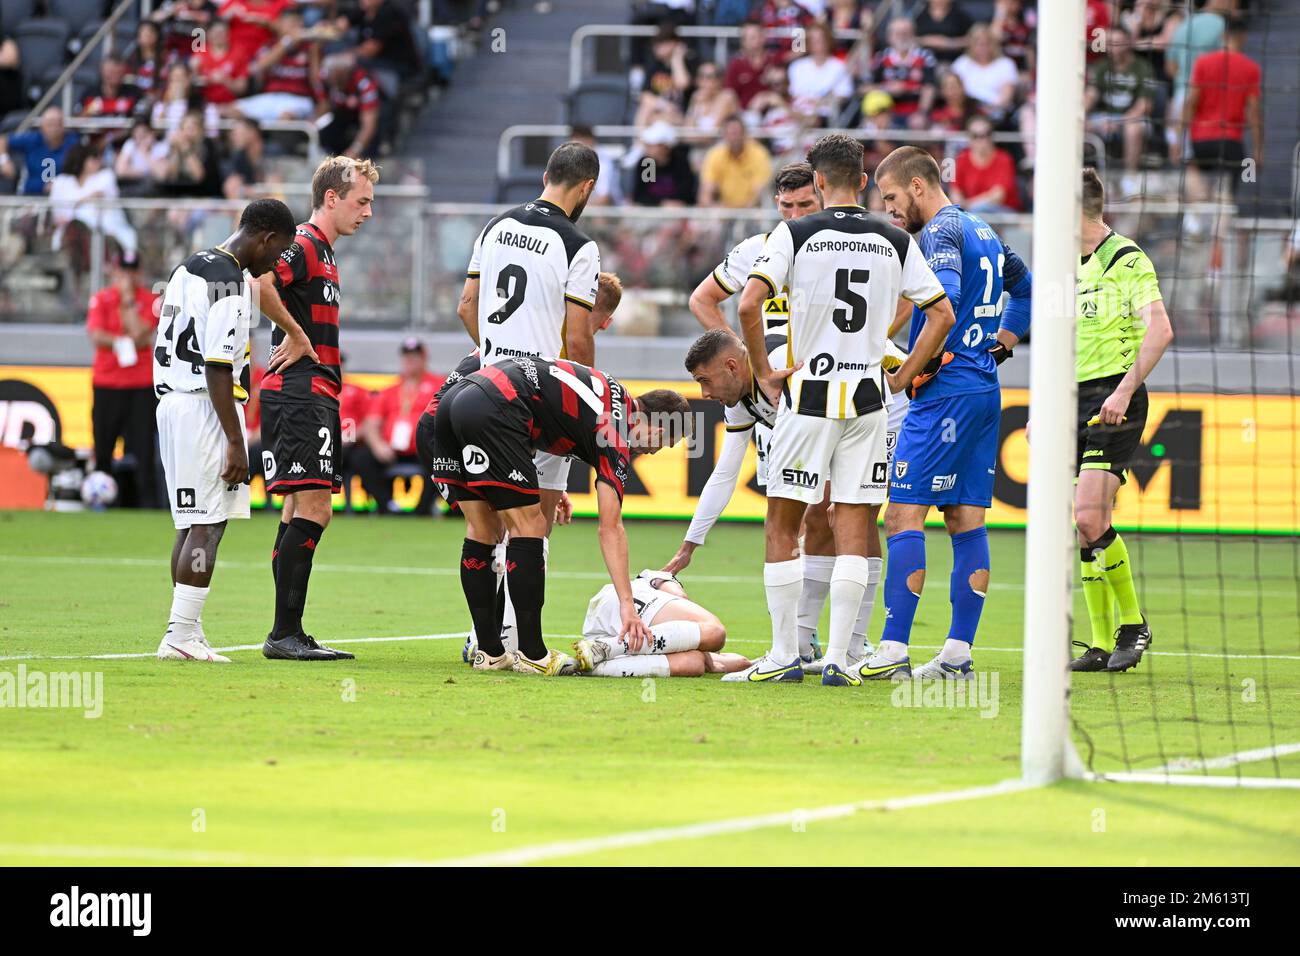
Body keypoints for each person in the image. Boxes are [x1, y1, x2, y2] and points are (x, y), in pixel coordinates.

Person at [733, 133, 954, 686]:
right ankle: (840, 658)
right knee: (854, 521)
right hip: (869, 399)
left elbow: (747, 302)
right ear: (862, 181)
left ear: (818, 182)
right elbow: (942, 314)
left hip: (808, 396)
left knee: (783, 522)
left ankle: (785, 654)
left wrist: (763, 369)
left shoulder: (794, 233)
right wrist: (901, 374)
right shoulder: (895, 239)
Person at [869, 145, 1033, 681]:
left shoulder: (938, 233)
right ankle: (957, 655)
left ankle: (891, 652)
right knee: (966, 520)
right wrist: (1001, 345)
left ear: (918, 186)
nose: (891, 210)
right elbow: (1024, 288)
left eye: (892, 198)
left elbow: (942, 308)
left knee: (902, 515)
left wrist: (905, 374)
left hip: (945, 394)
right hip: (984, 390)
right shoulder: (981, 229)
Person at [422, 355, 690, 675]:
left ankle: (490, 652)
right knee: (531, 524)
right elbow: (610, 528)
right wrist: (627, 604)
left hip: (453, 404)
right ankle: (533, 654)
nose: (652, 452)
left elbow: (545, 409)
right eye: (663, 442)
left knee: (483, 527)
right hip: (496, 406)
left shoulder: (608, 390)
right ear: (659, 425)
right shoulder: (618, 430)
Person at [152, 198, 296, 662]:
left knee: (190, 521)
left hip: (172, 403)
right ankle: (181, 634)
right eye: (276, 254)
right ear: (266, 238)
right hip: (203, 407)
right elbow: (218, 367)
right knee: (208, 525)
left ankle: (183, 629)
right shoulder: (231, 285)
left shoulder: (189, 267)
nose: (273, 265)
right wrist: (237, 441)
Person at [255, 155, 379, 661]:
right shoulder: (304, 244)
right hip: (300, 391)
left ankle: (288, 630)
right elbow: (260, 283)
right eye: (361, 201)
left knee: (294, 510)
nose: (367, 212)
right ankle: (284, 633)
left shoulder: (325, 253)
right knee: (316, 509)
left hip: (314, 392)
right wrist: (297, 334)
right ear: (332, 197)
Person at [456, 141, 602, 535]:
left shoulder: (495, 225)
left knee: (488, 527)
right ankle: (520, 601)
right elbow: (579, 336)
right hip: (544, 396)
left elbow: (466, 305)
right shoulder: (579, 246)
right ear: (587, 187)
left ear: (545, 179)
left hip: (486, 389)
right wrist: (585, 396)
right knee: (534, 530)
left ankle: (488, 600)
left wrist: (491, 351)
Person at [1070, 168, 1173, 673]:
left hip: (1115, 396)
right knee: (1086, 527)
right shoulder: (1064, 265)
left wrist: (1124, 389)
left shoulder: (1126, 259)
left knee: (1088, 516)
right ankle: (1097, 643)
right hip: (1071, 397)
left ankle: (1132, 625)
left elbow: (1161, 330)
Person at [572, 570, 750, 678]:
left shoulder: (685, 643)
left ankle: (580, 666)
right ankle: (602, 649)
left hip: (603, 628)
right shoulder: (658, 577)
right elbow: (681, 597)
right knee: (714, 633)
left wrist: (756, 664)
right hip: (624, 598)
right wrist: (710, 659)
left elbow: (739, 662)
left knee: (693, 664)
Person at [86, 252, 161, 507]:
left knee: (143, 449)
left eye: (132, 271)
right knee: (103, 445)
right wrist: (123, 340)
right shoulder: (102, 299)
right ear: (115, 272)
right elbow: (96, 335)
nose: (128, 276)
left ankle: (147, 503)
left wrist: (128, 301)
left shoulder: (148, 300)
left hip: (140, 384)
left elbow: (143, 334)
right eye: (123, 271)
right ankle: (100, 499)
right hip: (107, 383)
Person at [354, 337, 442, 514]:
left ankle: (422, 510)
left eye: (415, 357)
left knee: (440, 460)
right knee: (361, 457)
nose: (410, 361)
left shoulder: (439, 385)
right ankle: (388, 506)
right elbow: (372, 423)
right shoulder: (390, 389)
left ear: (424, 359)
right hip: (391, 449)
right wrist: (378, 445)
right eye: (406, 357)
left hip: (422, 449)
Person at [1181, 17, 1261, 203]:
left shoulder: (1203, 62)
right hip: (1230, 142)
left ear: (1223, 36)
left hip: (1201, 140)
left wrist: (1179, 137)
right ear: (1244, 37)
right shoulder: (1251, 68)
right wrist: (1258, 150)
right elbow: (1254, 112)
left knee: (1200, 196)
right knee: (1225, 199)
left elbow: (1192, 102)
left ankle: (1196, 229)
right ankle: (1221, 230)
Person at [1086, 26, 1157, 180]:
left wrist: (1119, 122)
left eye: (1118, 42)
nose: (1113, 47)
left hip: (1133, 119)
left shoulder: (1143, 67)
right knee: (1078, 126)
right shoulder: (1101, 67)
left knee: (1133, 128)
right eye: (1110, 43)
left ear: (1128, 43)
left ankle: (1129, 179)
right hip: (1104, 118)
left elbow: (1145, 105)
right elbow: (1091, 96)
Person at [867, 17, 938, 131]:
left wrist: (922, 113)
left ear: (914, 35)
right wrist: (886, 88)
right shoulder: (881, 57)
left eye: (906, 33)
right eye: (897, 33)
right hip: (887, 110)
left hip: (916, 109)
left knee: (918, 124)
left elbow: (930, 87)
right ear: (889, 37)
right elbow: (865, 87)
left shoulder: (925, 56)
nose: (902, 37)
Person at [0, 107, 79, 197]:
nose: (54, 129)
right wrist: (4, 160)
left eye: (57, 124)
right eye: (50, 124)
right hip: (32, 195)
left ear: (63, 127)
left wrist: (58, 185)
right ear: (42, 126)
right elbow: (2, 140)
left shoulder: (72, 142)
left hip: (62, 198)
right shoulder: (33, 139)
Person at [697, 115, 773, 209]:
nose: (734, 137)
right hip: (725, 210)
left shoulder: (759, 154)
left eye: (737, 133)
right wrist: (714, 208)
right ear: (724, 135)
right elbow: (706, 192)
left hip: (753, 210)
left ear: (744, 134)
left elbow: (760, 192)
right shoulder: (715, 155)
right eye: (730, 133)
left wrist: (741, 213)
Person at [950, 115, 1022, 213]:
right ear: (969, 139)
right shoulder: (962, 158)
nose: (981, 140)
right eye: (975, 136)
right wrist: (961, 206)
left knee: (980, 209)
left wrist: (967, 205)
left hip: (1003, 213)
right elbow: (955, 191)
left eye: (985, 134)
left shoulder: (1004, 159)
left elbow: (998, 197)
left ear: (991, 136)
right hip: (973, 213)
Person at [949, 23, 1018, 122]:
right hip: (967, 111)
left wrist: (987, 109)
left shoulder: (1005, 64)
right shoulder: (961, 64)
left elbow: (1006, 98)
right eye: (978, 43)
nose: (982, 48)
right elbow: (952, 92)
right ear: (971, 45)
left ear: (993, 44)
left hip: (996, 112)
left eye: (986, 43)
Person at [318, 53, 381, 159]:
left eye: (335, 74)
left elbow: (369, 124)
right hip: (339, 115)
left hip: (361, 118)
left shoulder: (364, 84)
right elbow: (324, 105)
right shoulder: (325, 77)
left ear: (344, 73)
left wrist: (355, 150)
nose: (331, 77)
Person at [725, 21, 779, 110]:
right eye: (747, 37)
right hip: (745, 115)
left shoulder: (775, 60)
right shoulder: (736, 64)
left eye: (755, 36)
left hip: (773, 112)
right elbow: (729, 94)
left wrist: (778, 82)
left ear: (764, 37)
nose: (752, 41)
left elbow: (799, 49)